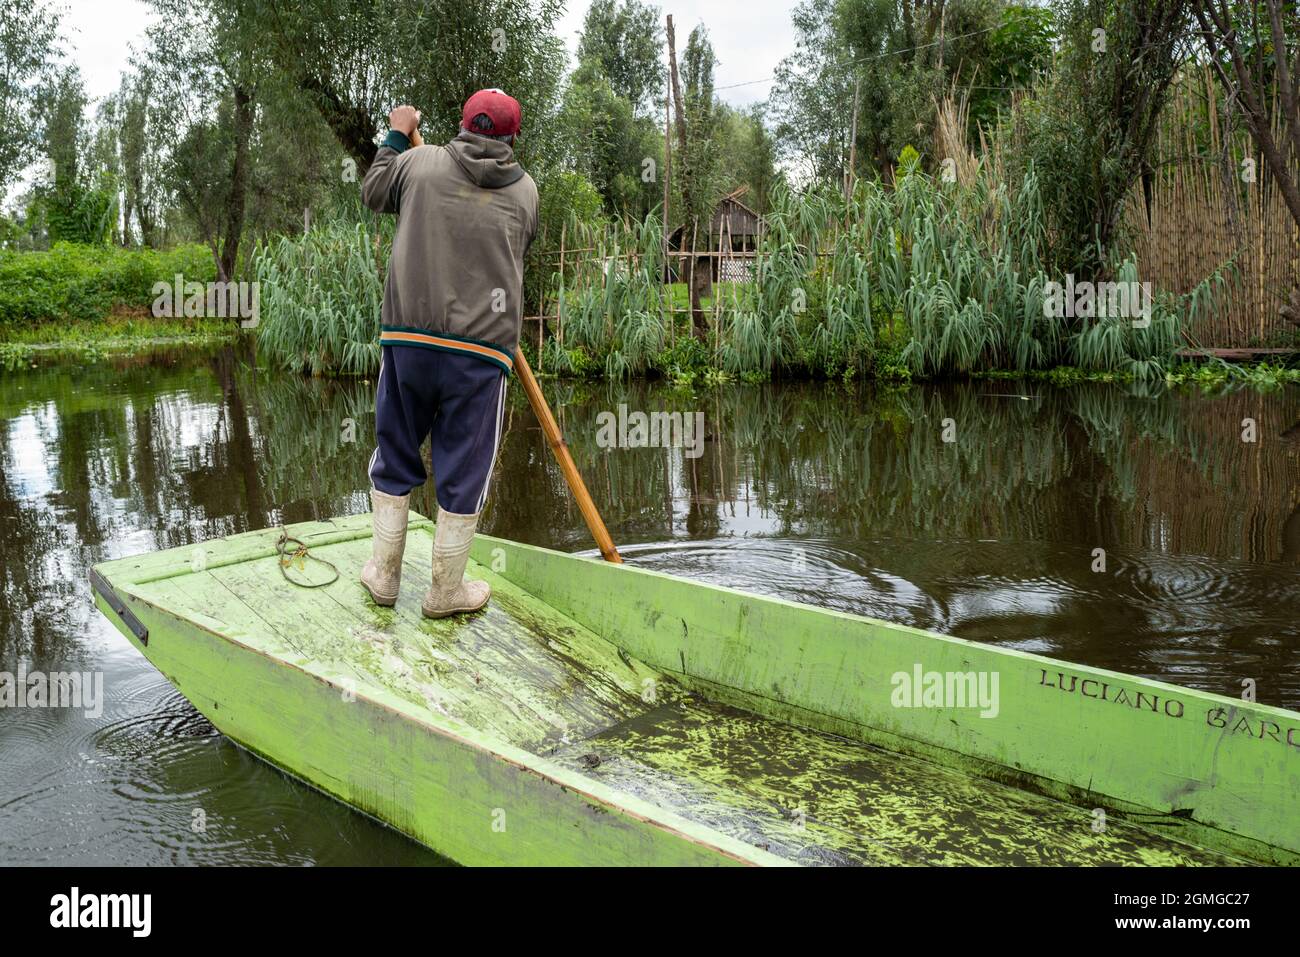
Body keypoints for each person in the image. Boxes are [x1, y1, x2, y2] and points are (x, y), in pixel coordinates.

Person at [358, 89, 538, 617]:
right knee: (465, 467)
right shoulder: (526, 191)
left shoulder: (417, 163)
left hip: (410, 342)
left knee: (395, 452)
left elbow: (373, 190)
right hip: (481, 353)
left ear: (462, 124)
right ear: (511, 138)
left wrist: (397, 132)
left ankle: (385, 577)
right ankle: (444, 592)